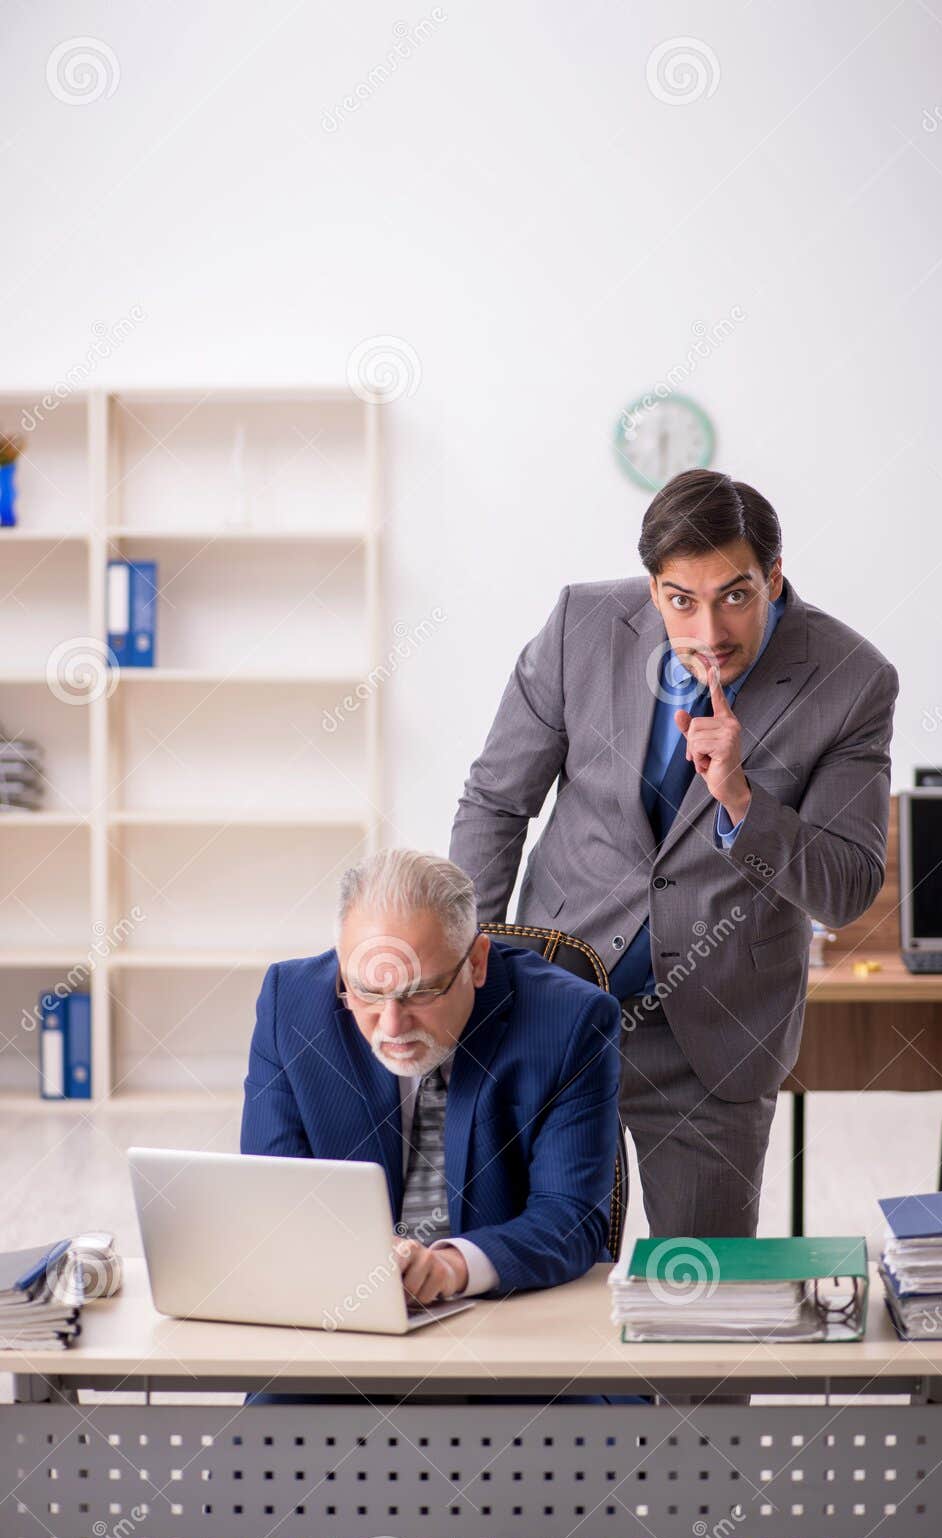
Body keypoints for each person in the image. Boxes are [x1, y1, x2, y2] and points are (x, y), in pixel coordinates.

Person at [450, 469, 899, 1239]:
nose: (709, 632)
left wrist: (743, 804)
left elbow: (847, 887)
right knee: (528, 1277)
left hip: (712, 1040)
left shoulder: (852, 681)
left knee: (704, 1308)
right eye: (680, 601)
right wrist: (470, 963)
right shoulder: (581, 626)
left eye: (735, 594)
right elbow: (496, 802)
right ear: (654, 587)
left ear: (774, 576)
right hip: (551, 1008)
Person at [240, 847, 621, 1305]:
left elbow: (571, 1216)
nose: (392, 1026)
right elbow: (274, 1197)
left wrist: (450, 1266)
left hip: (508, 1315)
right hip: (340, 1308)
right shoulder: (292, 1004)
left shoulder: (571, 1020)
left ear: (476, 962)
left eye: (420, 992)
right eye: (366, 991)